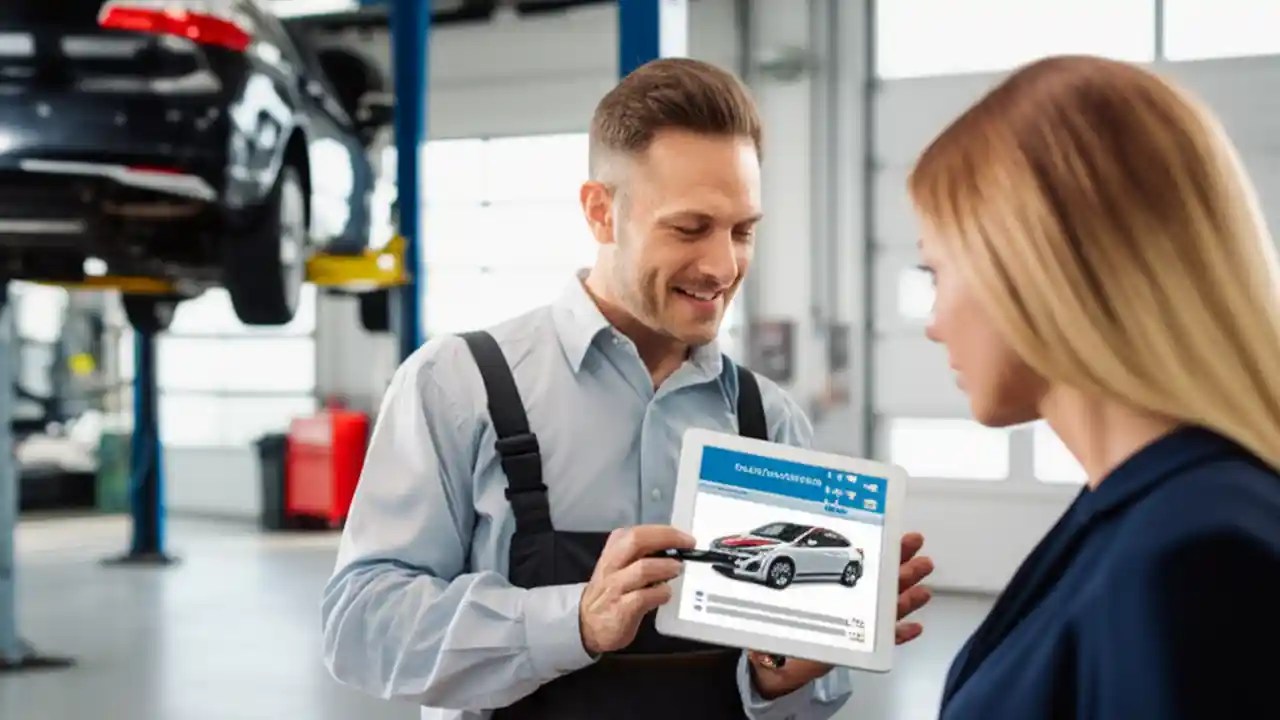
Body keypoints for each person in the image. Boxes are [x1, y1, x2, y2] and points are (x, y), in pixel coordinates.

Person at [321, 57, 935, 720]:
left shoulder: (768, 420)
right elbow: (360, 627)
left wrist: (785, 678)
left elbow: (802, 698)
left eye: (742, 231)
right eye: (690, 227)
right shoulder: (457, 385)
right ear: (601, 212)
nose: (723, 266)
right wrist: (573, 621)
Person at [910, 54, 1280, 719]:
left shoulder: (1193, 558)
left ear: (1033, 267)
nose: (933, 325)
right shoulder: (1139, 509)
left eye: (936, 271)